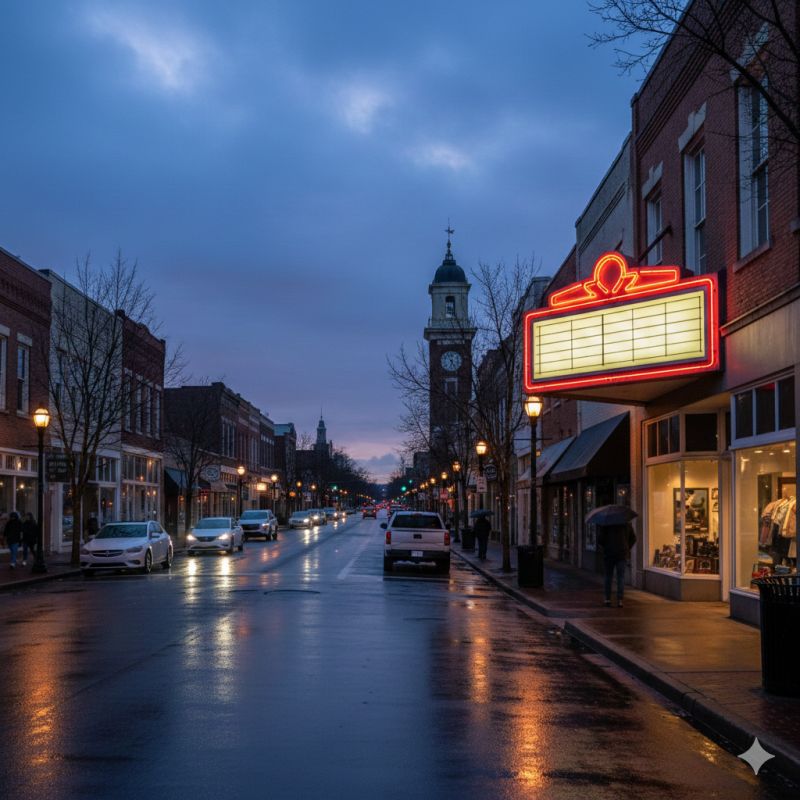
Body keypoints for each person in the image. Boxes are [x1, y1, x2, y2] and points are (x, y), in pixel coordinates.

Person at [597, 522, 636, 607]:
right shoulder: (626, 523)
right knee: (620, 577)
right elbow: (633, 538)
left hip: (609, 554)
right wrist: (627, 547)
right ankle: (620, 600)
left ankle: (607, 599)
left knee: (608, 577)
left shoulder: (606, 524)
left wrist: (606, 547)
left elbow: (600, 539)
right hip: (622, 554)